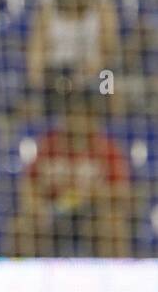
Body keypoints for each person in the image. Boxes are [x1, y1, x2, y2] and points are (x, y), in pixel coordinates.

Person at [15, 90, 131, 257]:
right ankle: (25, 279)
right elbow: (29, 183)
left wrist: (92, 196)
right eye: (73, 115)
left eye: (84, 116)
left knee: (113, 227)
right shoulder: (48, 145)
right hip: (53, 212)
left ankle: (115, 279)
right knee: (22, 226)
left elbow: (122, 192)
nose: (78, 121)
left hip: (92, 214)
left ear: (93, 119)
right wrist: (35, 206)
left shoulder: (107, 149)